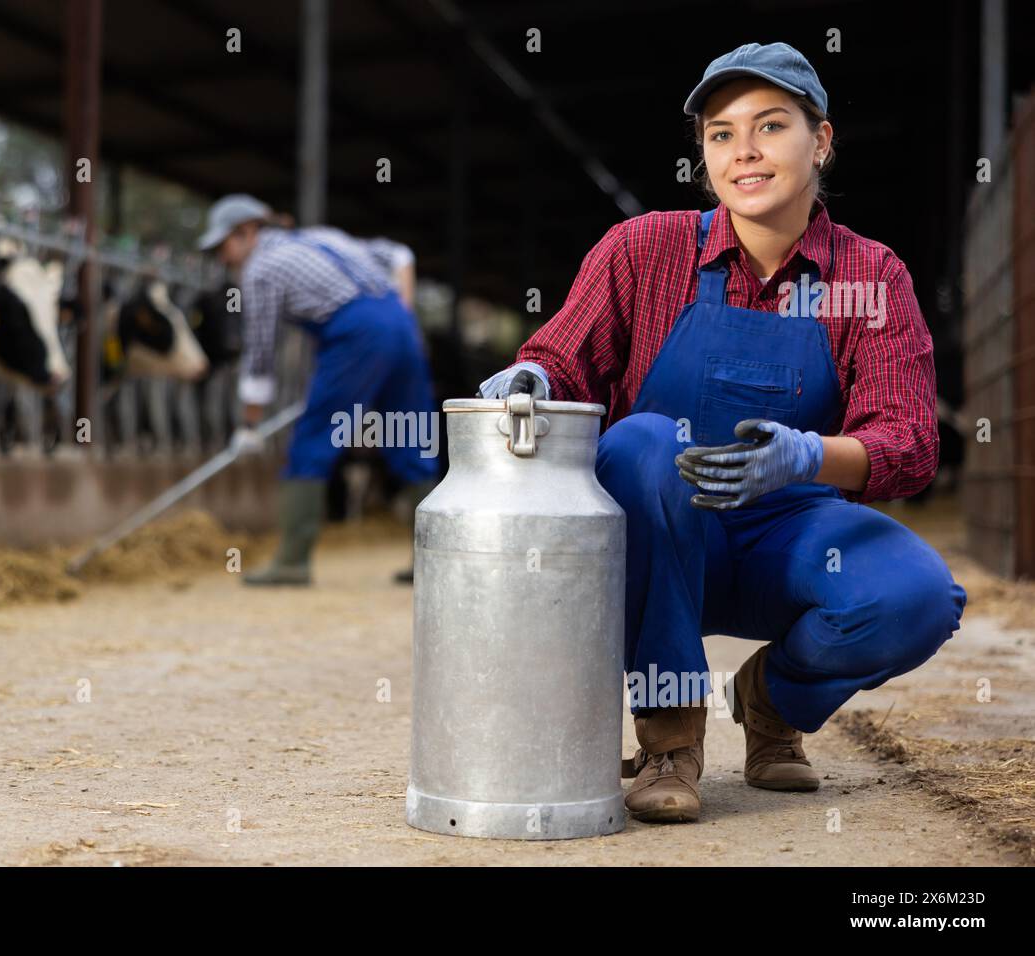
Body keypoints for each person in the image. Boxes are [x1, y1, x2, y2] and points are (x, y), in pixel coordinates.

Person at [479, 42, 967, 823]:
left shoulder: (869, 277)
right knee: (638, 445)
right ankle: (670, 735)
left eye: (771, 126)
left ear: (823, 140)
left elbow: (908, 446)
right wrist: (531, 381)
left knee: (918, 598)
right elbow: (561, 361)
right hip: (658, 534)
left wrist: (806, 456)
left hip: (793, 533)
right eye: (720, 133)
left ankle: (773, 700)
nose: (744, 151)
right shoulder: (644, 250)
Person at [198, 195, 439, 585]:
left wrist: (248, 424)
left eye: (222, 246)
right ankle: (435, 561)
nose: (222, 258)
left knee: (314, 436)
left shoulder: (261, 269)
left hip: (355, 331)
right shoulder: (322, 236)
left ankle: (292, 561)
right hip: (400, 323)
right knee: (411, 436)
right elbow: (399, 254)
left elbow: (260, 353)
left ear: (246, 232)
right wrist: (403, 313)